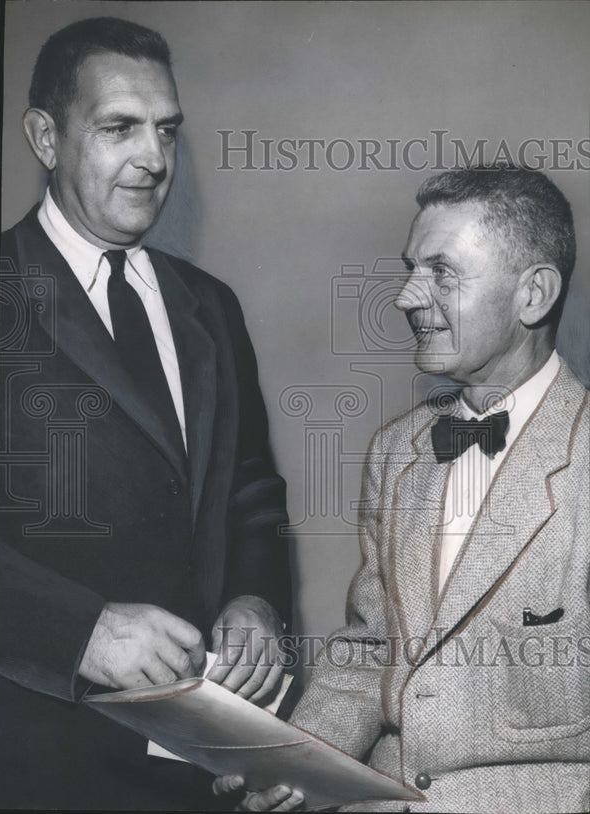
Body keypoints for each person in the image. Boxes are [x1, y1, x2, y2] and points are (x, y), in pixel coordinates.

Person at [215, 166, 590, 813]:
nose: (407, 298)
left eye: (442, 272)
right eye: (411, 269)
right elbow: (371, 651)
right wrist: (293, 763)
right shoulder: (398, 450)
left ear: (533, 295)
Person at [0, 17, 291, 810]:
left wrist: (257, 601)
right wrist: (79, 631)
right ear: (45, 137)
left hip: (203, 768)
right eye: (119, 127)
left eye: (167, 130)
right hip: (31, 768)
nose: (154, 159)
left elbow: (253, 494)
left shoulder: (211, 306)